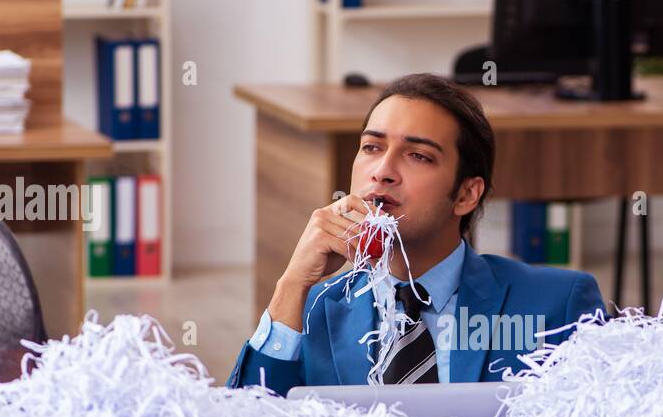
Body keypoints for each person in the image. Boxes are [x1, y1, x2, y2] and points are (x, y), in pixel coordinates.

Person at [226, 73, 605, 395]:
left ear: (465, 194)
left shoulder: (557, 304)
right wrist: (291, 283)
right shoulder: (310, 308)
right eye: (372, 147)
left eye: (418, 156)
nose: (383, 172)